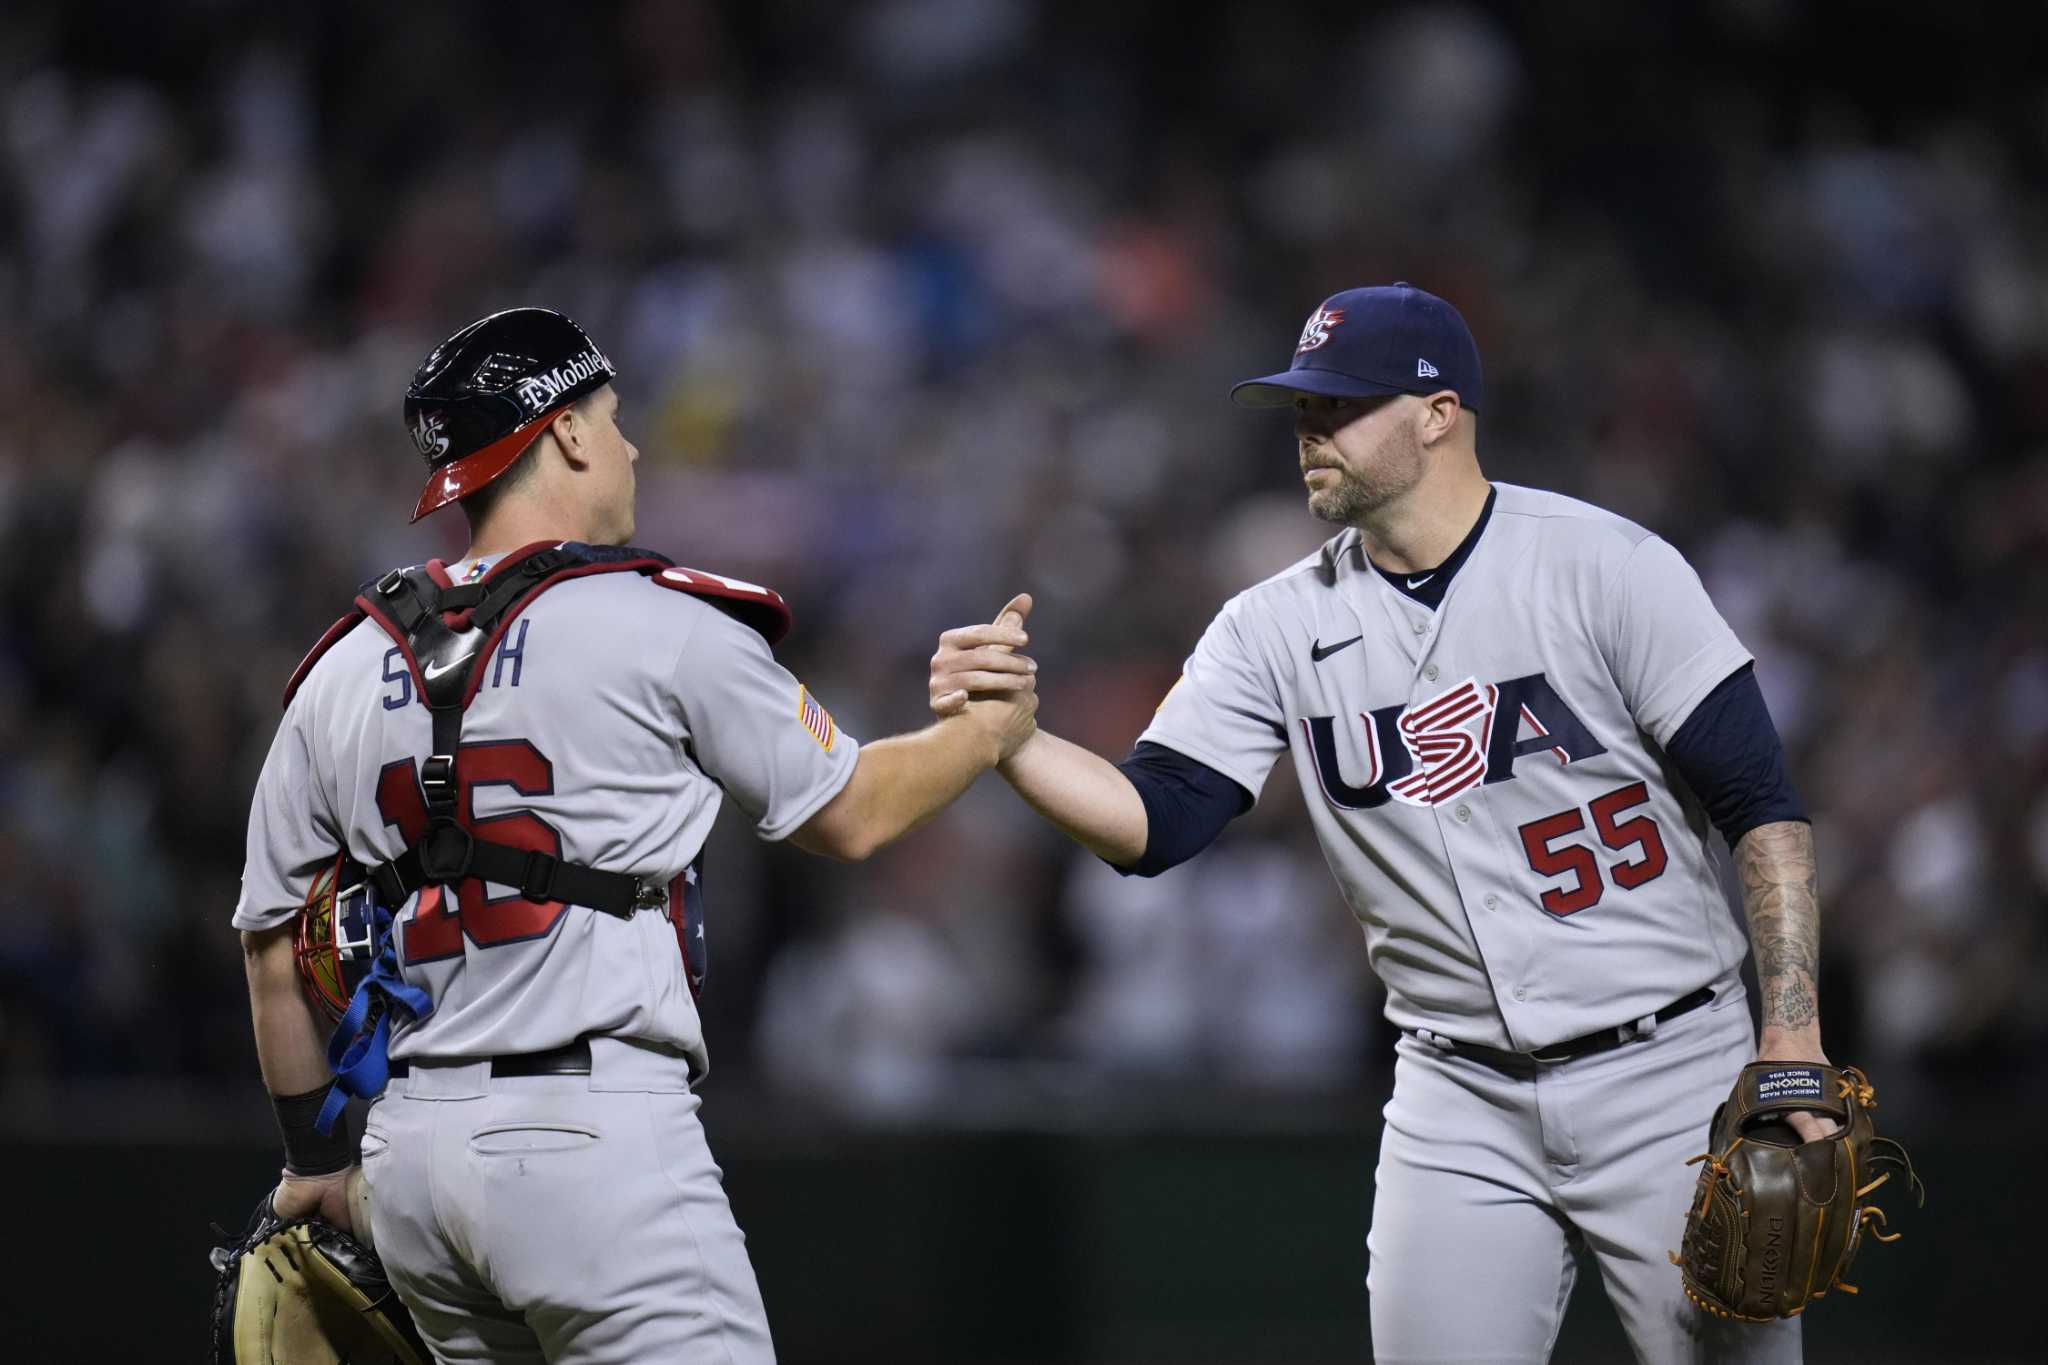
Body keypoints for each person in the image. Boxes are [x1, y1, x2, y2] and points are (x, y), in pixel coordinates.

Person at [931, 284, 1829, 1362]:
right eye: (1301, 409)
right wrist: (1016, 746)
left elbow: (1760, 809)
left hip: (1669, 1068)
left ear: (1437, 413)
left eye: (1339, 406)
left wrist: (1788, 1036)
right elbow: (1153, 823)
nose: (1309, 432)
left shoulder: (1606, 568)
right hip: (1457, 1096)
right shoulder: (1269, 626)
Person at [233, 306, 1037, 1364]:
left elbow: (270, 950)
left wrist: (317, 1163)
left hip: (410, 1162)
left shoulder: (337, 667)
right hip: (590, 1142)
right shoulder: (655, 620)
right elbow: (852, 811)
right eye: (611, 419)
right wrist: (984, 732)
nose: (630, 446)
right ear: (562, 432)